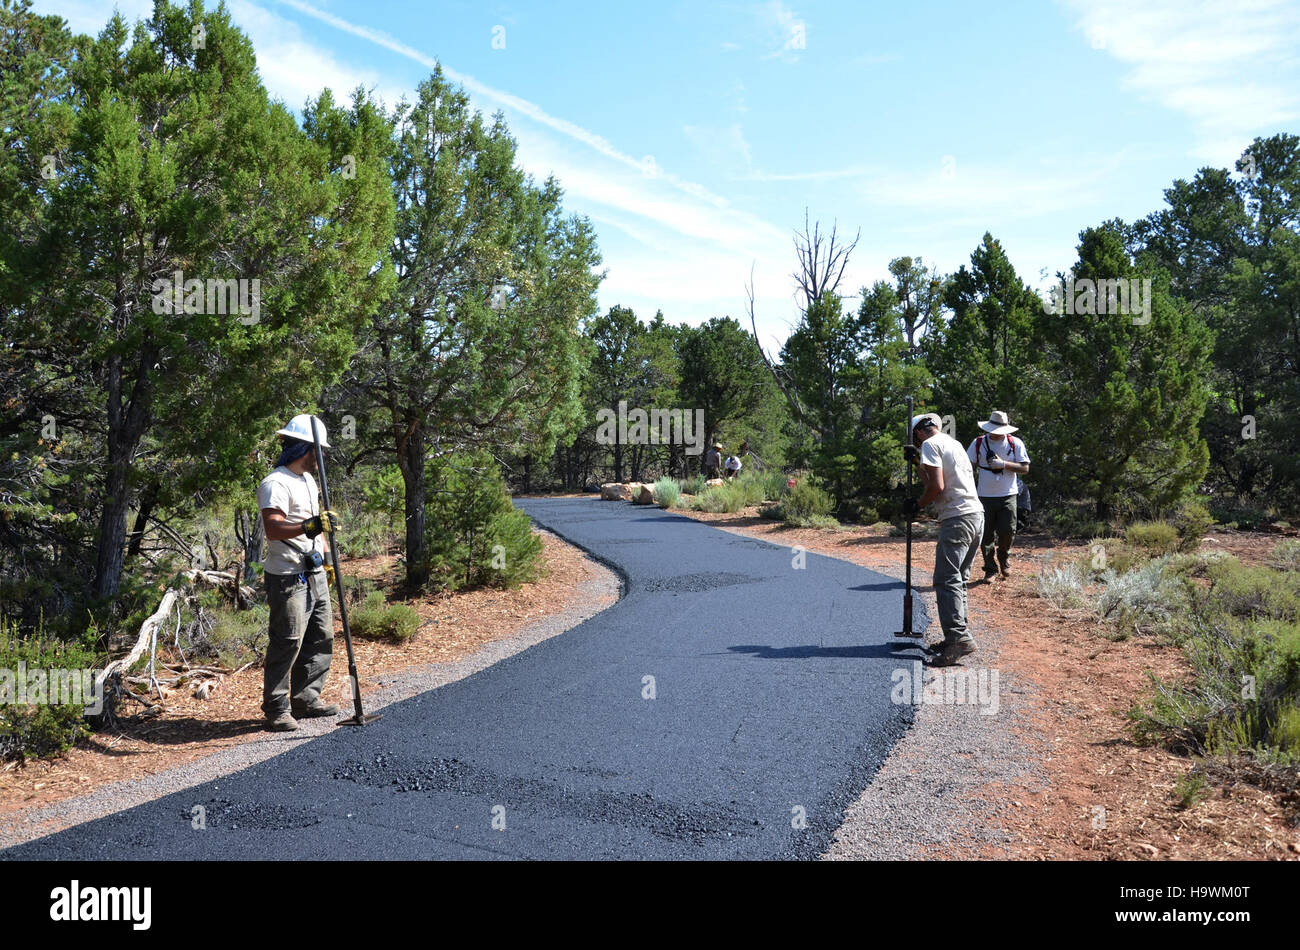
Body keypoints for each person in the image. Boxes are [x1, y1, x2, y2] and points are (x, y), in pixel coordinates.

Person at [256, 414, 342, 731]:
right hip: (288, 575)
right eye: (319, 452)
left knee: (321, 636)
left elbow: (320, 524)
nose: (322, 459)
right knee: (288, 640)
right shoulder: (275, 483)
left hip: (314, 570)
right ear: (305, 449)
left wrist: (328, 561)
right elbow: (273, 527)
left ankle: (305, 699)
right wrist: (308, 526)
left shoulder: (307, 481)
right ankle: (277, 708)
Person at [903, 413, 985, 666]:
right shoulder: (954, 443)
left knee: (945, 579)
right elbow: (936, 480)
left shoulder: (930, 445)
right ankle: (955, 638)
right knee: (959, 580)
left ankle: (959, 639)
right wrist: (918, 463)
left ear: (918, 432)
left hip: (957, 518)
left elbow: (936, 487)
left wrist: (916, 505)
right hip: (975, 515)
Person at [967, 410, 1031, 581]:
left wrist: (1003, 464)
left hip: (1008, 494)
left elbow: (1025, 468)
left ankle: (1004, 559)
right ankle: (990, 568)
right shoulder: (978, 443)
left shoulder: (1014, 443)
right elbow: (968, 467)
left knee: (1008, 531)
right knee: (985, 534)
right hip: (984, 496)